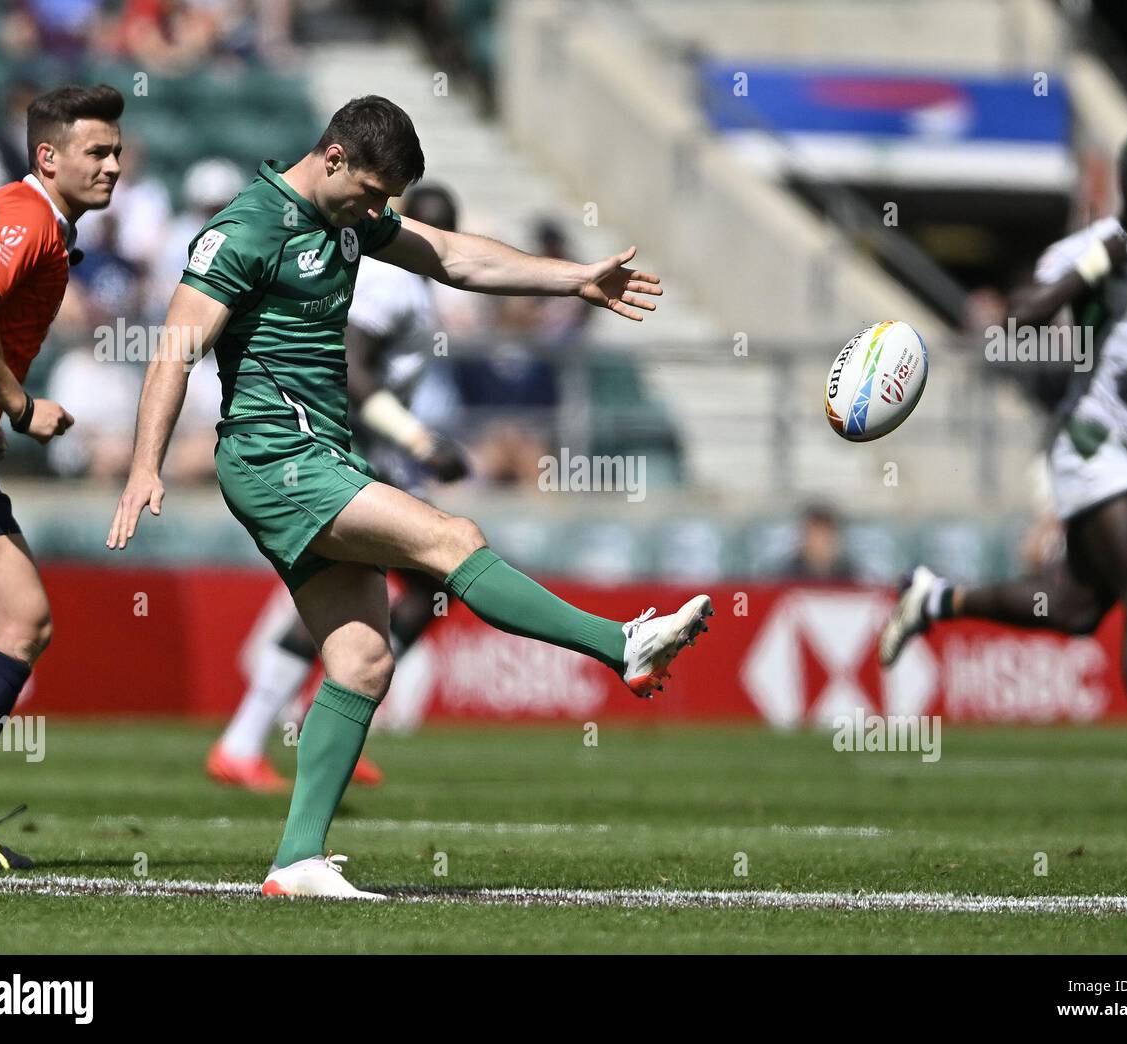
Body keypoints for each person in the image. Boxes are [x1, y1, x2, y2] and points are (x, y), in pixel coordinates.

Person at [106, 96, 712, 898]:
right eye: (369, 191)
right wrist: (145, 465)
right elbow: (175, 351)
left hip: (324, 456)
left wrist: (574, 281)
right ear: (330, 159)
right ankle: (620, 645)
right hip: (274, 458)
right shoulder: (247, 229)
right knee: (451, 537)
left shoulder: (350, 216)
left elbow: (456, 257)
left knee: (361, 660)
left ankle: (296, 861)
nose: (378, 210)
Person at [880, 127, 1127, 817]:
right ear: (1126, 183)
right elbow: (1018, 320)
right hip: (1088, 444)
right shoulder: (1091, 249)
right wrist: (1089, 273)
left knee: (1074, 610)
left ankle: (932, 599)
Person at [206, 183, 471, 792]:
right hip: (337, 457)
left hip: (351, 456)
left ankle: (283, 729)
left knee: (379, 590)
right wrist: (420, 441)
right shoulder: (396, 281)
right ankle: (286, 728)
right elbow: (353, 365)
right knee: (427, 574)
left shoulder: (377, 277)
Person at [0, 85, 123, 869]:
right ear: (48, 157)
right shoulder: (23, 218)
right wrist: (17, 406)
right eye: (97, 152)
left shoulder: (41, 222)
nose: (114, 165)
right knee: (21, 620)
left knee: (20, 619)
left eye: (116, 151)